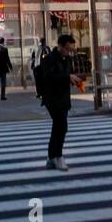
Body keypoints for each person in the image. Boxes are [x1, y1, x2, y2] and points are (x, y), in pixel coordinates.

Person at [38, 34, 82, 171]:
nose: (69, 52)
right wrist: (68, 77)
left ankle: (52, 158)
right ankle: (58, 157)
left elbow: (65, 75)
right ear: (60, 46)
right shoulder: (49, 59)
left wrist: (74, 80)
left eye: (71, 49)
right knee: (61, 126)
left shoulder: (67, 58)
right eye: (67, 49)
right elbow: (49, 77)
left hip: (63, 98)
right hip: (52, 98)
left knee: (59, 127)